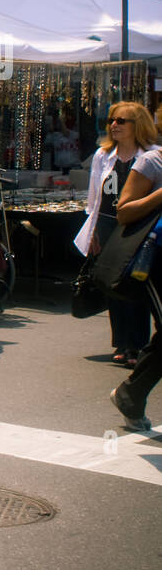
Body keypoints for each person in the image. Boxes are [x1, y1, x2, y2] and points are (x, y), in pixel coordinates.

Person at [76, 103, 158, 367]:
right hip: (109, 223)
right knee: (113, 285)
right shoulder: (104, 155)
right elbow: (94, 197)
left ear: (138, 125)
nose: (115, 125)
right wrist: (93, 230)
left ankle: (138, 344)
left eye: (122, 120)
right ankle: (121, 343)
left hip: (138, 226)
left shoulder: (151, 156)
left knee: (136, 284)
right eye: (112, 120)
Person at [107, 139, 162, 433]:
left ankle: (131, 395)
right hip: (155, 262)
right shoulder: (152, 162)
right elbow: (124, 211)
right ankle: (131, 395)